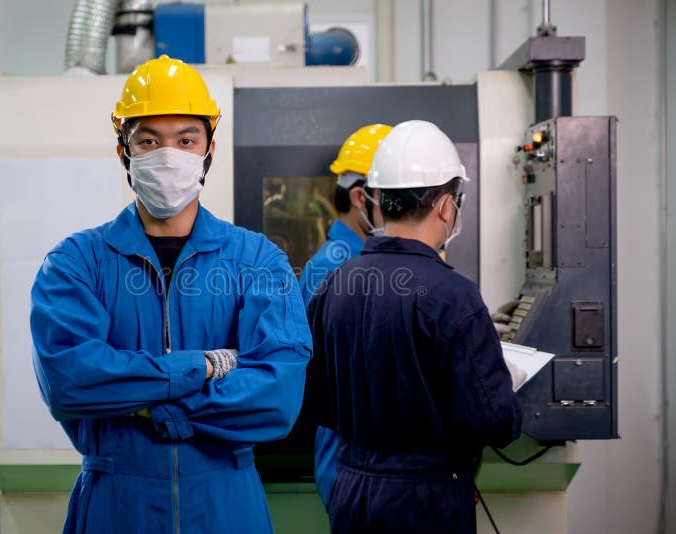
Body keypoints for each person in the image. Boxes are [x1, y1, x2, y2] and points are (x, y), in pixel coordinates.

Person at [30, 55, 312, 533]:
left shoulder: (258, 261)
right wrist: (201, 367)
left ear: (209, 150)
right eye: (148, 141)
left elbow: (276, 398)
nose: (167, 156)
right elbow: (69, 381)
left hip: (225, 504)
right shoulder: (76, 262)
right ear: (123, 152)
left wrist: (145, 405)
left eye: (185, 140)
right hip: (117, 505)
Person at [305, 120, 523, 533]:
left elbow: (316, 402)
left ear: (378, 200)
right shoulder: (454, 295)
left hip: (352, 491)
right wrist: (501, 381)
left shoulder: (335, 283)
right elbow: (496, 423)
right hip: (426, 500)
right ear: (446, 205)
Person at [297, 123, 392, 510]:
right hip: (351, 461)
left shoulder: (368, 261)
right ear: (359, 196)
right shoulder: (334, 267)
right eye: (396, 197)